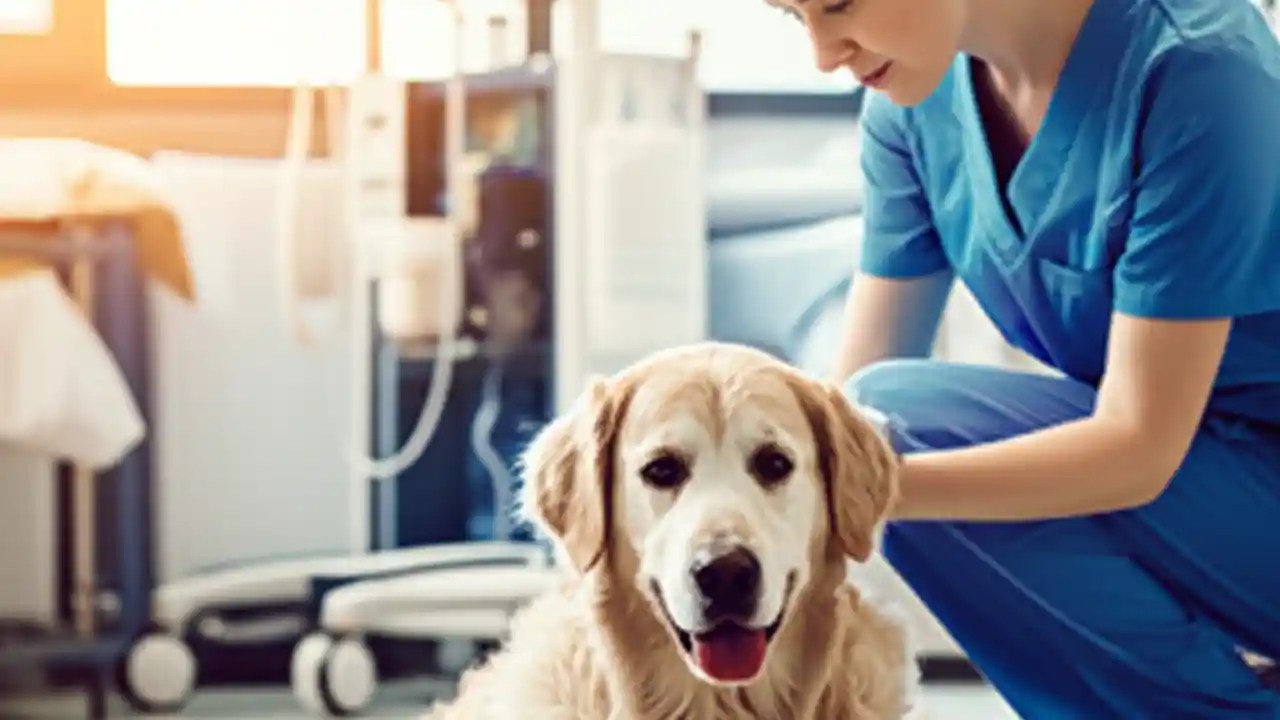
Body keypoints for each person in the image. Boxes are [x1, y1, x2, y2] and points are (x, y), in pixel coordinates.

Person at [770, 0, 1280, 716]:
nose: (824, 55)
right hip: (1210, 479)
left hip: (1225, 468)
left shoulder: (1202, 70)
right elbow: (846, 412)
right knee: (881, 420)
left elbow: (1138, 449)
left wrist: (840, 497)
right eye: (794, 16)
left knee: (888, 444)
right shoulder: (912, 104)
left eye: (838, 3)